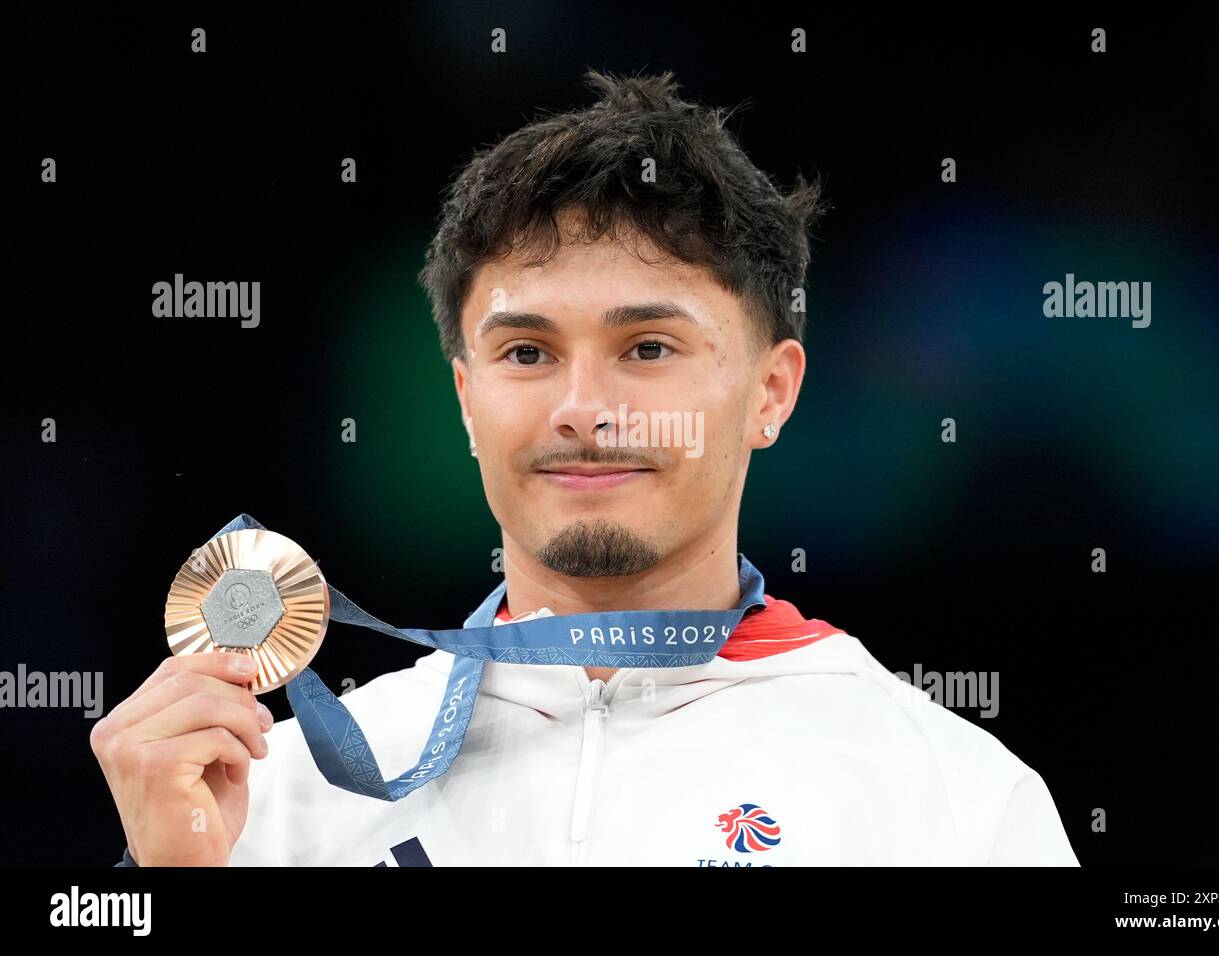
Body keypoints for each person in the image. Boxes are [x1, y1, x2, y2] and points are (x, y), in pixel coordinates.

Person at [91, 69, 1078, 866]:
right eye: (526, 352)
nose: (582, 408)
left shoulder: (952, 805)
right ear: (466, 400)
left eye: (648, 346)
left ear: (770, 393)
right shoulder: (270, 793)